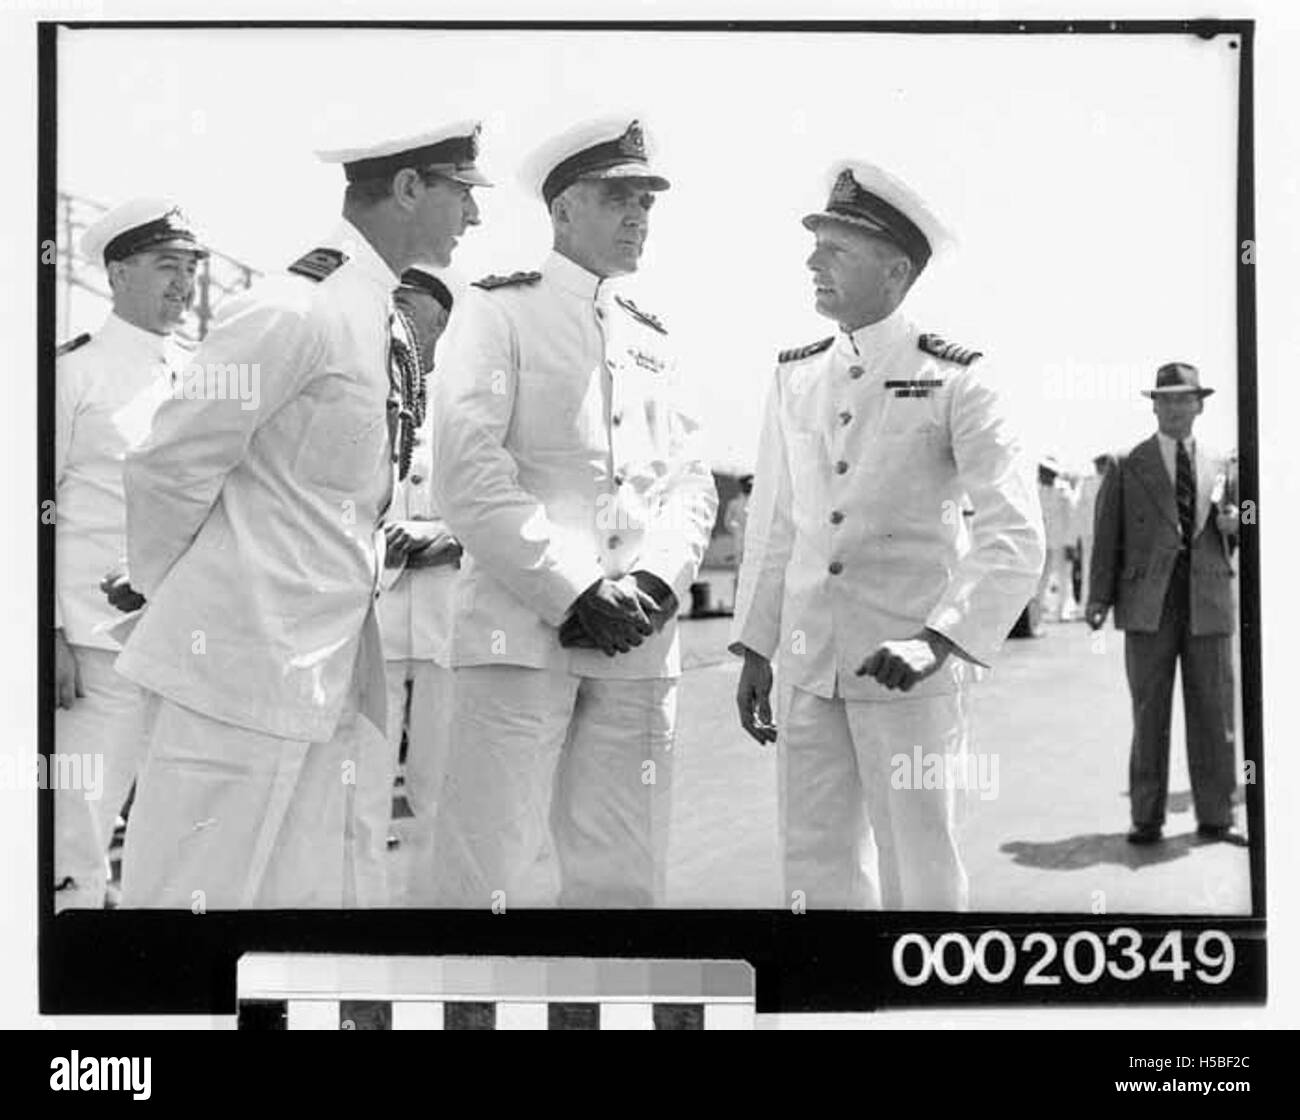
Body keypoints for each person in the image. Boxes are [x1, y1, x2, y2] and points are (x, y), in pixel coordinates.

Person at [109, 123, 490, 908]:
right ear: (411, 187)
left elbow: (336, 506)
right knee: (190, 902)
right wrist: (175, 596)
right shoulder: (294, 308)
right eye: (462, 191)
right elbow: (171, 461)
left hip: (324, 676)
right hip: (234, 675)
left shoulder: (378, 314)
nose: (473, 216)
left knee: (294, 909)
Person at [730, 160, 1044, 910]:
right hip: (809, 667)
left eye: (836, 249)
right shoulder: (793, 376)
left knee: (919, 871)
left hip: (910, 672)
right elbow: (776, 525)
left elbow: (1013, 534)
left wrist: (937, 640)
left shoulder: (958, 378)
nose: (813, 262)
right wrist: (753, 647)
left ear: (896, 269)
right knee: (814, 870)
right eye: (816, 245)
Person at [429, 117, 717, 908]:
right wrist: (579, 590)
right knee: (485, 873)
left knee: (623, 877)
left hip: (637, 645)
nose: (638, 217)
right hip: (520, 635)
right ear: (561, 211)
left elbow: (690, 483)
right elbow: (469, 472)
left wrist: (656, 583)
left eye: (646, 202)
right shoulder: (497, 314)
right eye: (617, 198)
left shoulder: (655, 335)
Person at [53, 199, 209, 910]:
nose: (184, 285)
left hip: (186, 637)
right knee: (79, 819)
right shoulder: (71, 374)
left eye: (192, 270)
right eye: (166, 267)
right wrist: (46, 632)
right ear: (117, 272)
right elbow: (29, 513)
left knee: (180, 823)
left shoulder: (204, 375)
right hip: (91, 641)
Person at [1086, 363, 1239, 845]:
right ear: (1154, 405)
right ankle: (1146, 817)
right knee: (1149, 712)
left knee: (1215, 713)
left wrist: (1237, 526)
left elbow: (1236, 531)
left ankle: (1217, 817)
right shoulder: (1127, 461)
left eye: (1184, 398)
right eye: (1166, 399)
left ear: (1200, 404)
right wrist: (1097, 597)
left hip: (1208, 599)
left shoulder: (1225, 463)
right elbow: (1106, 535)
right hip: (1148, 603)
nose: (1175, 407)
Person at [373, 266, 462, 907]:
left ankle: (432, 918)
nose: (402, 323)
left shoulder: (469, 405)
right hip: (370, 624)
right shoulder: (359, 394)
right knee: (361, 792)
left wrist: (450, 537)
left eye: (417, 313)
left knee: (441, 794)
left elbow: (505, 504)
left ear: (441, 325)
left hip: (449, 628)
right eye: (394, 307)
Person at [1035, 455, 1078, 622]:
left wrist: (1071, 543)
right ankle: (1037, 611)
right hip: (1043, 541)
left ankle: (1064, 609)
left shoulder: (1064, 491)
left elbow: (1072, 519)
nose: (1043, 475)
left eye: (1046, 472)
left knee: (1064, 576)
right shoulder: (1036, 492)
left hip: (1061, 540)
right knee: (1040, 577)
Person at [1073, 453, 1113, 623]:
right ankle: (1083, 606)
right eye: (1098, 464)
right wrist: (1078, 536)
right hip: (1090, 533)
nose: (1100, 468)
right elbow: (1079, 509)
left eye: (1103, 464)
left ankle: (1107, 608)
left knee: (1109, 570)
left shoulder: (1114, 482)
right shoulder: (1087, 483)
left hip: (1109, 534)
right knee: (1088, 568)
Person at [723, 474, 754, 565]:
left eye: (750, 486)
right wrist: (737, 529)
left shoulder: (756, 504)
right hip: (740, 538)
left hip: (755, 539)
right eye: (747, 485)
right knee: (740, 562)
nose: (748, 488)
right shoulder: (734, 504)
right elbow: (727, 522)